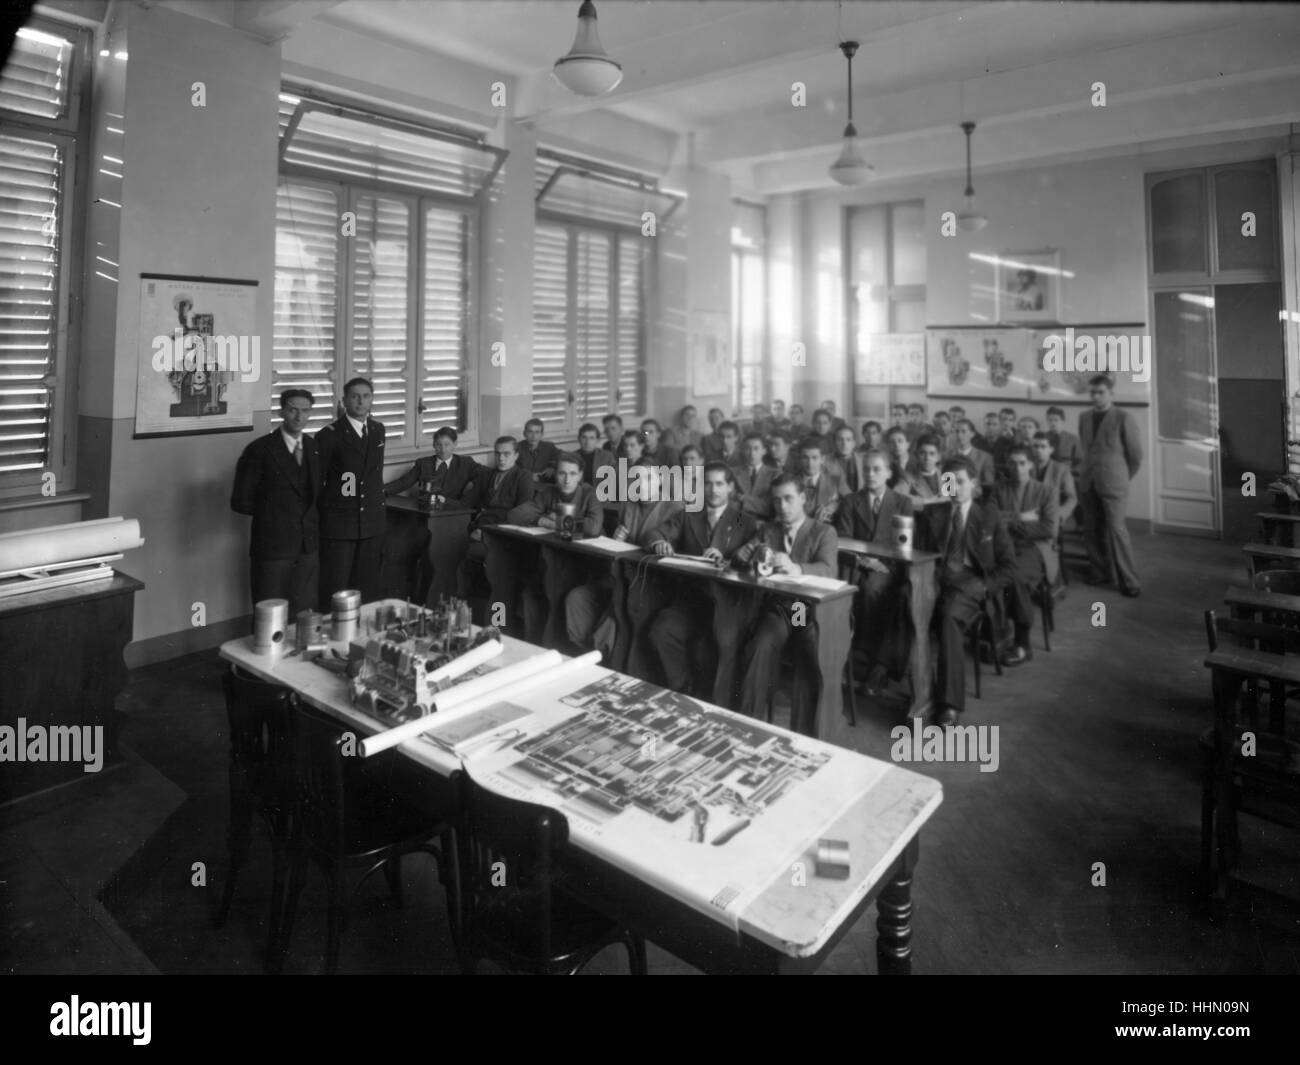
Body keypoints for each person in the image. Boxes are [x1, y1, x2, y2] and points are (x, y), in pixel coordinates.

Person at [734, 475, 840, 734]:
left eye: (788, 499)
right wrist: (743, 556)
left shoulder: (823, 531)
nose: (782, 506)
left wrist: (797, 568)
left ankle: (806, 734)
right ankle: (749, 725)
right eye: (777, 500)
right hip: (780, 607)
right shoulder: (768, 530)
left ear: (804, 499)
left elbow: (829, 570)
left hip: (807, 607)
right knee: (760, 643)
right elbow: (744, 559)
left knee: (809, 646)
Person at [646, 463, 757, 698]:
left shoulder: (745, 522)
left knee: (708, 646)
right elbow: (654, 533)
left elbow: (750, 564)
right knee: (661, 630)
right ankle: (680, 687)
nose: (713, 490)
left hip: (728, 604)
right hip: (692, 600)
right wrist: (659, 543)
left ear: (730, 488)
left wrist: (726, 561)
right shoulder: (689, 514)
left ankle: (709, 699)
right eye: (708, 483)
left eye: (719, 484)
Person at [929, 457, 1021, 726]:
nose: (954, 487)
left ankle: (949, 703)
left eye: (960, 481)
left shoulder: (988, 515)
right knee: (903, 599)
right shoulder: (935, 514)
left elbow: (1009, 567)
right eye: (948, 482)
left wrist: (983, 587)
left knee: (949, 617)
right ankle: (894, 675)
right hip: (939, 577)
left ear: (974, 483)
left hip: (972, 582)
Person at [566, 464, 682, 653]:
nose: (641, 485)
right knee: (577, 598)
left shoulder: (674, 507)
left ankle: (598, 654)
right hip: (619, 576)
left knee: (618, 608)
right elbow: (618, 546)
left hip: (650, 584)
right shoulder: (629, 505)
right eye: (636, 479)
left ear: (660, 480)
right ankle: (580, 649)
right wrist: (616, 538)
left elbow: (671, 550)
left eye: (648, 479)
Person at [230, 388, 320, 616]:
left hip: (307, 547)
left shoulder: (313, 448)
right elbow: (240, 501)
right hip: (273, 547)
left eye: (305, 411)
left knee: (304, 612)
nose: (299, 417)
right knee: (269, 615)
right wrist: (277, 515)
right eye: (292, 410)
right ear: (282, 411)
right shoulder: (259, 450)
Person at [835, 449, 914, 692]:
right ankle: (858, 656)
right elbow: (843, 539)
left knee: (872, 589)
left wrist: (884, 565)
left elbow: (904, 546)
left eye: (877, 469)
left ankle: (867, 656)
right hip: (856, 565)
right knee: (855, 588)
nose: (870, 474)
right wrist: (864, 561)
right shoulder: (851, 501)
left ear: (889, 473)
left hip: (890, 568)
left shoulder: (902, 503)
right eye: (866, 469)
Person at [508, 454, 604, 639]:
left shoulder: (589, 494)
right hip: (554, 558)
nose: (567, 479)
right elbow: (515, 515)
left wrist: (556, 522)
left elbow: (594, 527)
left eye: (572, 473)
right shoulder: (548, 493)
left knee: (551, 588)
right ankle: (534, 640)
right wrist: (542, 520)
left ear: (580, 475)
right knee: (531, 590)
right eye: (562, 473)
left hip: (584, 562)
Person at [315, 377, 386, 609]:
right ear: (344, 401)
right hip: (340, 524)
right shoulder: (329, 434)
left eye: (366, 396)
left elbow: (373, 476)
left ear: (372, 399)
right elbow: (319, 483)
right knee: (336, 587)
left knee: (367, 587)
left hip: (370, 523)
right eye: (354, 396)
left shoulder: (377, 430)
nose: (360, 401)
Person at [1077, 374, 1142, 597]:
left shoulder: (1123, 417)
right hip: (1088, 481)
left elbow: (1135, 456)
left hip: (1114, 483)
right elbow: (1087, 449)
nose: (1095, 396)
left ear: (1111, 393)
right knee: (1092, 530)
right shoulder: (1084, 417)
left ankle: (1130, 581)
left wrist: (1121, 477)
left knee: (1116, 530)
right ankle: (1100, 572)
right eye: (1092, 392)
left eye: (1100, 392)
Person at [992, 445, 1056, 665]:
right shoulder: (999, 489)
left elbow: (1049, 529)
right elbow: (991, 520)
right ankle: (995, 635)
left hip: (1034, 549)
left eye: (1022, 463)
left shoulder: (1046, 491)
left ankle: (1022, 642)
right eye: (1012, 463)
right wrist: (1022, 517)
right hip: (1003, 546)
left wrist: (1010, 523)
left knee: (1015, 577)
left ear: (1030, 464)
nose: (1017, 468)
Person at [456, 436, 534, 599]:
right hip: (478, 528)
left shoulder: (523, 476)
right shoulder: (488, 475)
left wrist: (486, 534)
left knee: (469, 552)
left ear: (516, 455)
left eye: (506, 454)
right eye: (497, 454)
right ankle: (463, 604)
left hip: (505, 535)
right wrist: (441, 500)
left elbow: (523, 514)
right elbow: (466, 502)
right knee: (448, 546)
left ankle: (468, 602)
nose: (501, 458)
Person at [384, 425, 479, 507]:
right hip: (426, 510)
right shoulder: (423, 463)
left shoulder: (465, 463)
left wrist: (466, 501)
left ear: (455, 444)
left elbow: (485, 477)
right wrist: (377, 491)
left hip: (451, 511)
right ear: (433, 445)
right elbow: (403, 483)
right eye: (438, 445)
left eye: (447, 445)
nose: (442, 449)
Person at [1030, 429, 1078, 580]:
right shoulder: (1026, 467)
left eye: (1043, 447)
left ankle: (1042, 569)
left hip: (1052, 515)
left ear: (1051, 449)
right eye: (1035, 446)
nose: (1038, 451)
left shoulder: (1061, 469)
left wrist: (1060, 514)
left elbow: (1072, 498)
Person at [798, 436, 848, 521]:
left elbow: (852, 501)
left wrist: (837, 505)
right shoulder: (791, 481)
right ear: (799, 459)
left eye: (814, 458)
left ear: (822, 459)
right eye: (805, 458)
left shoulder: (836, 480)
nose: (810, 463)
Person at [734, 431, 776, 518]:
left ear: (764, 451)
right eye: (748, 448)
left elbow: (771, 507)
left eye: (756, 448)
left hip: (766, 524)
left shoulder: (775, 474)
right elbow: (730, 504)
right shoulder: (733, 472)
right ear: (743, 450)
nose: (752, 453)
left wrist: (743, 499)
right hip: (739, 523)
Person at [948, 418, 995, 492]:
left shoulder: (985, 457)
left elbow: (989, 484)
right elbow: (946, 483)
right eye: (956, 431)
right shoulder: (948, 456)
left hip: (975, 499)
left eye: (963, 431)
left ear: (972, 434)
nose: (959, 435)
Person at [515, 418, 559, 482]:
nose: (534, 436)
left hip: (544, 486)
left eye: (537, 432)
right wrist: (528, 476)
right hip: (523, 484)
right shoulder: (517, 448)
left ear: (542, 434)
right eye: (530, 432)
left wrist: (552, 468)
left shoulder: (549, 447)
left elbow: (563, 457)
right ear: (524, 433)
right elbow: (511, 470)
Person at [827, 425, 867, 494]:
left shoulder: (864, 460)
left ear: (854, 443)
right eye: (840, 440)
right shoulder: (825, 462)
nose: (844, 444)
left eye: (848, 440)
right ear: (834, 443)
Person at [1046, 405, 1081, 480]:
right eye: (1050, 420)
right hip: (1047, 475)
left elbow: (1079, 461)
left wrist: (1071, 473)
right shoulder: (1044, 438)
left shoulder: (1073, 439)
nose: (1053, 423)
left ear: (1063, 421)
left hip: (1067, 474)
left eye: (1056, 420)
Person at [574, 422, 615, 486]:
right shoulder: (572, 457)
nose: (587, 442)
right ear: (579, 439)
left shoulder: (607, 456)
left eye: (591, 438)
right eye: (584, 437)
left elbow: (614, 481)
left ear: (597, 440)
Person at [907, 434, 944, 499]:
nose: (927, 458)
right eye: (922, 453)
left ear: (938, 457)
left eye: (932, 454)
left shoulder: (946, 475)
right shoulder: (908, 478)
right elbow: (897, 497)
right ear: (916, 455)